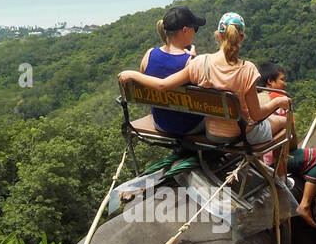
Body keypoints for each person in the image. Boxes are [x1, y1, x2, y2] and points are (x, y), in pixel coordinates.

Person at [119, 12, 288, 147]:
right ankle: (282, 180)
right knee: (284, 122)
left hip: (210, 132)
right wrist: (277, 103)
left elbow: (163, 84)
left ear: (217, 36)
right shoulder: (248, 69)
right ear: (241, 37)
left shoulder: (199, 62)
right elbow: (257, 115)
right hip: (239, 133)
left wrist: (133, 74)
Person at [256, 64, 316, 228]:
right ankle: (304, 205)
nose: (285, 84)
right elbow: (291, 142)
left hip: (256, 160)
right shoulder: (280, 100)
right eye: (282, 80)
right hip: (275, 161)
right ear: (270, 81)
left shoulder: (254, 100)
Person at [140, 6, 206, 135]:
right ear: (185, 30)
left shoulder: (149, 54)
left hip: (160, 123)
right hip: (190, 127)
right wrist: (194, 58)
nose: (195, 32)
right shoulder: (191, 63)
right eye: (195, 29)